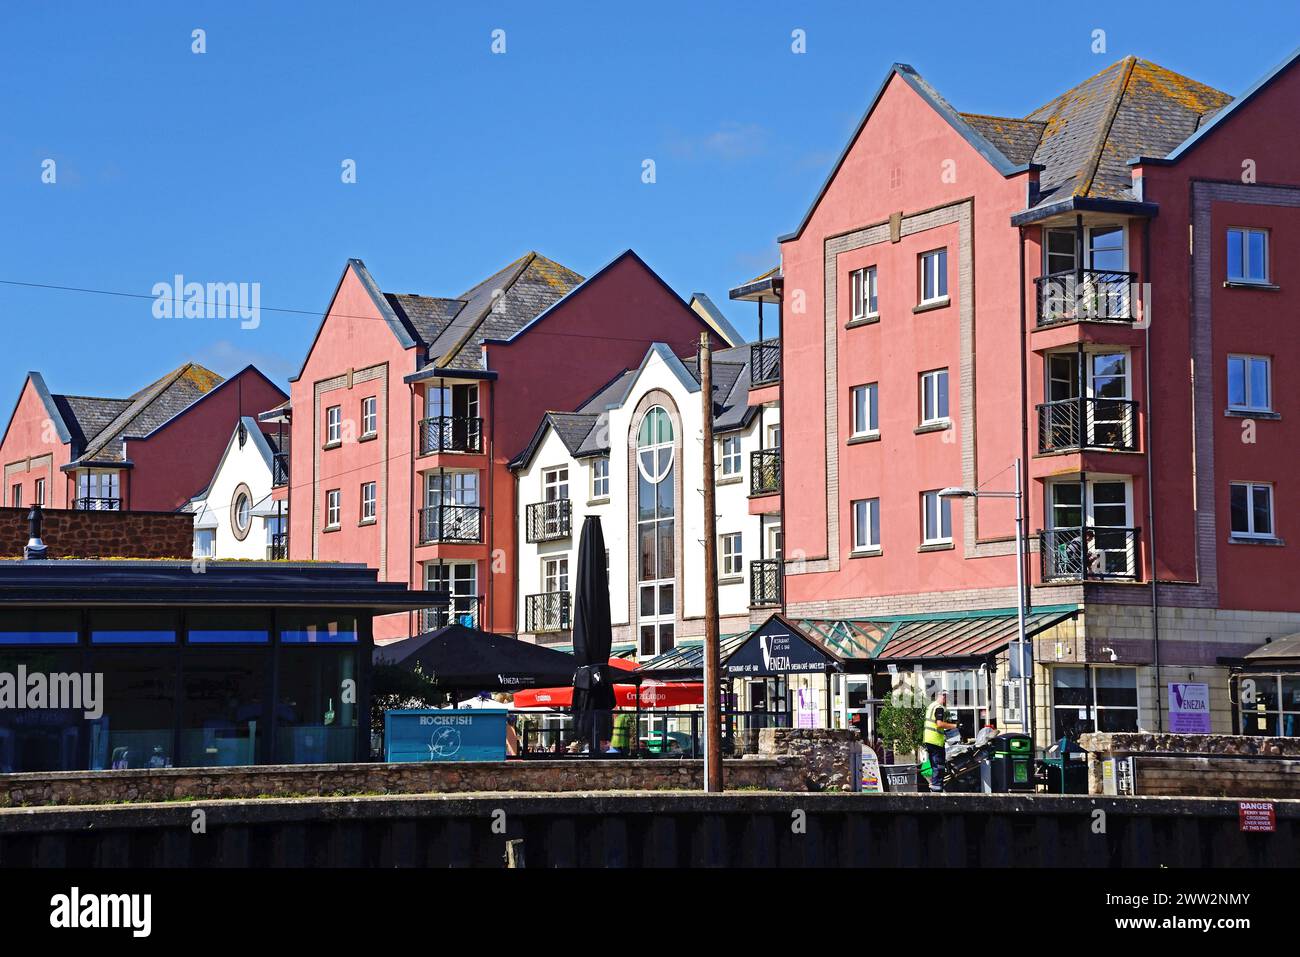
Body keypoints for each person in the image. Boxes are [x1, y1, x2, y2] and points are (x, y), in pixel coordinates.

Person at [923, 690, 959, 793]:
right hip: (936, 740)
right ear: (943, 697)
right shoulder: (939, 708)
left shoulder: (931, 706)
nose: (947, 700)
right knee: (939, 765)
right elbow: (939, 724)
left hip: (928, 739)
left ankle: (935, 785)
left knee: (934, 764)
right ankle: (937, 787)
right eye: (946, 698)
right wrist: (955, 725)